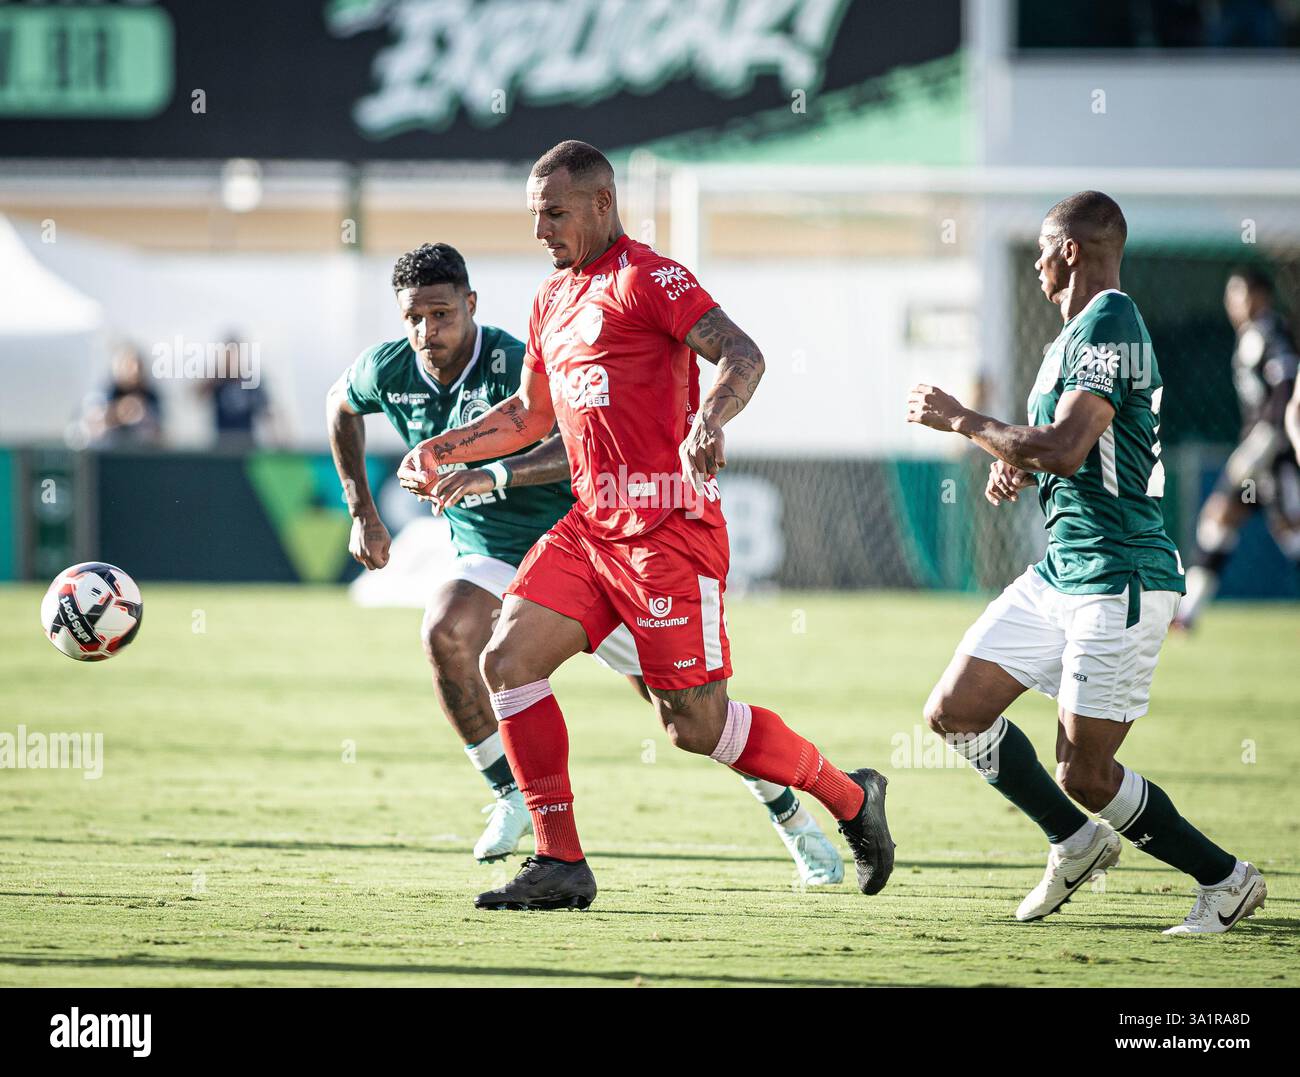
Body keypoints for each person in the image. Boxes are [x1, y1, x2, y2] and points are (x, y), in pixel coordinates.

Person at [399, 142, 894, 911]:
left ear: (602, 204)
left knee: (693, 724)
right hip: (591, 529)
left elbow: (743, 352)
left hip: (668, 529)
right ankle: (560, 859)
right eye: (535, 217)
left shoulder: (648, 278)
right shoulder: (549, 299)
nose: (542, 233)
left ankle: (851, 796)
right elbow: (531, 415)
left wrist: (710, 415)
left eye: (555, 214)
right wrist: (441, 448)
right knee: (505, 659)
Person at [328, 241, 843, 884]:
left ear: (471, 305)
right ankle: (516, 802)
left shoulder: (520, 354)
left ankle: (791, 813)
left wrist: (490, 474)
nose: (427, 331)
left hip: (583, 542)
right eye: (414, 318)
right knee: (450, 632)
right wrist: (362, 512)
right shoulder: (390, 368)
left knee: (687, 716)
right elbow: (340, 408)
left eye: (441, 314)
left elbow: (571, 447)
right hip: (492, 557)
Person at [905, 191, 1265, 935]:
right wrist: (1018, 462)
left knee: (1085, 773)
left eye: (1043, 246)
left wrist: (964, 421)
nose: (1036, 261)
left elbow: (1067, 444)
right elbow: (1072, 451)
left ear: (1069, 249)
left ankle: (1224, 879)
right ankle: (1073, 842)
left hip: (1119, 575)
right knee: (953, 710)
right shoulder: (1071, 336)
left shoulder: (1111, 319)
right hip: (1062, 570)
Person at [1175, 266, 1300, 629]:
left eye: (1240, 295)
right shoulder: (1250, 335)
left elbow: (1286, 388)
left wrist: (1266, 439)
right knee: (1218, 517)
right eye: (1230, 296)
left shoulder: (1271, 331)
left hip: (1276, 455)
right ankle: (1187, 614)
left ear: (1260, 296)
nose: (1233, 304)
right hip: (1256, 458)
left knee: (1292, 532)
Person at [80, 343, 162, 448]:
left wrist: (144, 417)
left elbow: (159, 433)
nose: (134, 372)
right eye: (129, 366)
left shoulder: (150, 396)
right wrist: (116, 413)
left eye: (138, 367)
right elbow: (88, 428)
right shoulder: (107, 393)